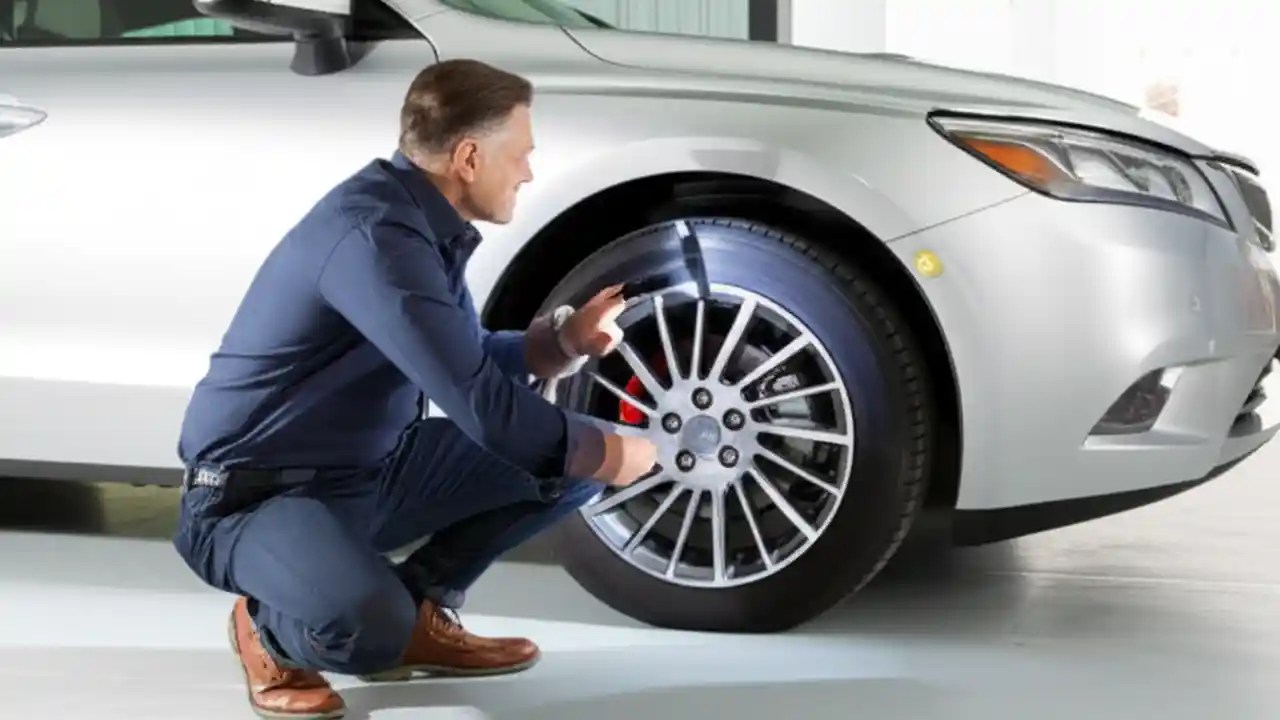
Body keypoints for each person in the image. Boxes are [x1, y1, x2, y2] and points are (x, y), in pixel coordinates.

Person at [171, 58, 659, 719]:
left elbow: (459, 358)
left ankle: (423, 610)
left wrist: (561, 344)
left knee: (562, 462)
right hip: (253, 499)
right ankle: (267, 629)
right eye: (521, 154)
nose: (528, 172)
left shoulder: (415, 222)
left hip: (371, 472)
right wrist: (610, 455)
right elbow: (484, 409)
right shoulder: (376, 237)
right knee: (367, 629)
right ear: (468, 157)